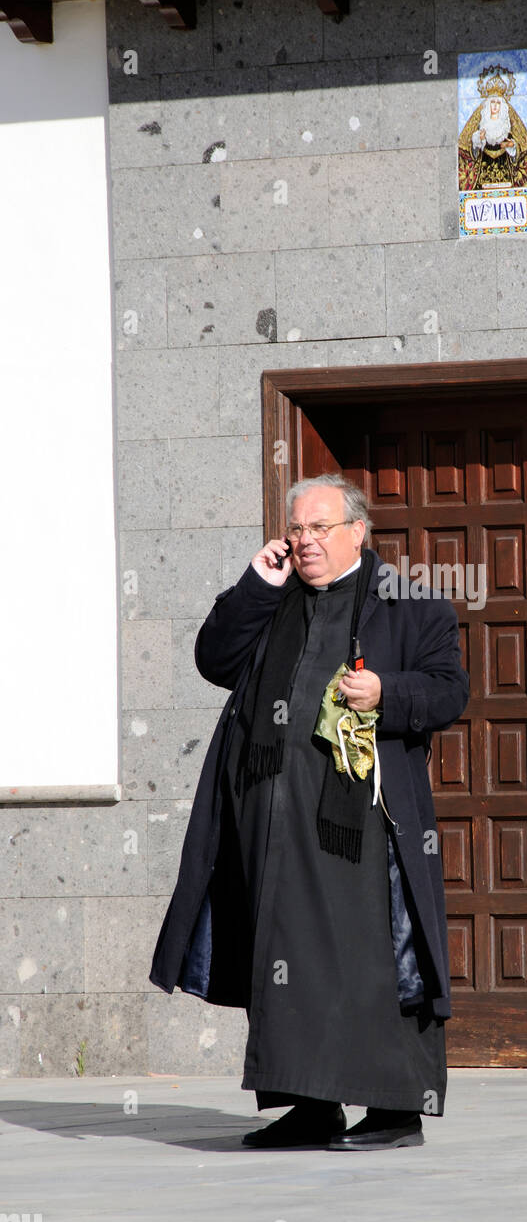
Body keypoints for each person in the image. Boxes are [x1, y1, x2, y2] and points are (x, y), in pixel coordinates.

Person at [149, 474, 470, 1150]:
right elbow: (214, 660)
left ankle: (394, 1111)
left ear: (357, 530)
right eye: (295, 529)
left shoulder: (410, 606)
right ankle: (307, 1105)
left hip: (361, 822)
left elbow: (447, 693)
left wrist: (387, 690)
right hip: (271, 822)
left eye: (318, 528)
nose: (304, 542)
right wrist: (254, 588)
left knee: (380, 959)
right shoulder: (272, 597)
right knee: (283, 956)